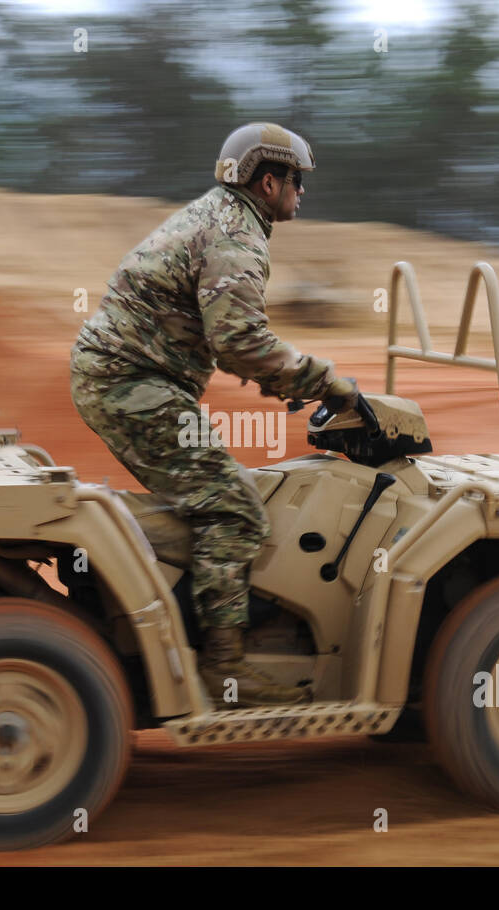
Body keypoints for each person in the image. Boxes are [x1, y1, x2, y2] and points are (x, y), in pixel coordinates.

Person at [69, 122, 359, 707]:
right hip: (131, 385)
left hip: (128, 379)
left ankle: (130, 560)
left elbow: (234, 339)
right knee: (236, 511)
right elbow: (240, 343)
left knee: (210, 493)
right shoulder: (235, 234)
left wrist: (289, 379)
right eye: (297, 181)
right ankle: (224, 673)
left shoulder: (222, 215)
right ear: (269, 181)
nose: (302, 193)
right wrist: (328, 384)